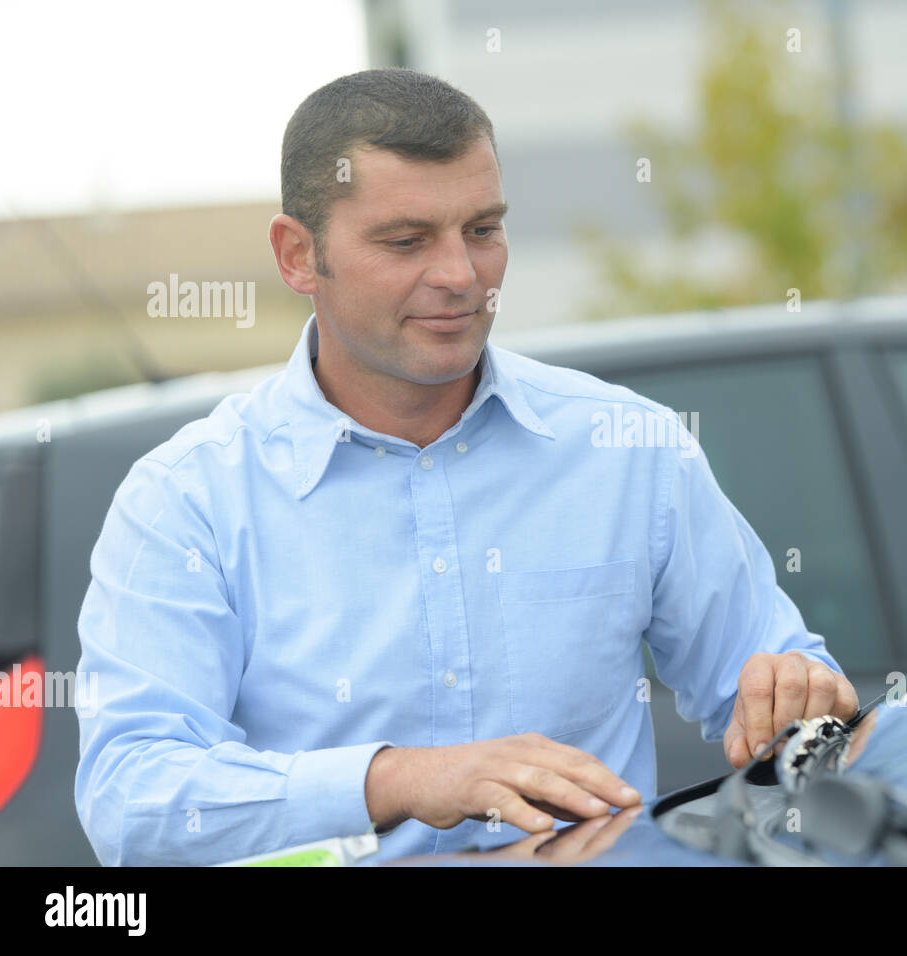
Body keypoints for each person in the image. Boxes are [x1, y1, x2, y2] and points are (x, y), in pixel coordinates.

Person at [74, 68, 858, 865]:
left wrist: (795, 694)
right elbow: (132, 799)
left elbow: (783, 691)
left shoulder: (630, 449)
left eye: (482, 230)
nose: (460, 276)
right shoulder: (186, 500)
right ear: (298, 255)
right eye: (407, 240)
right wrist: (396, 780)